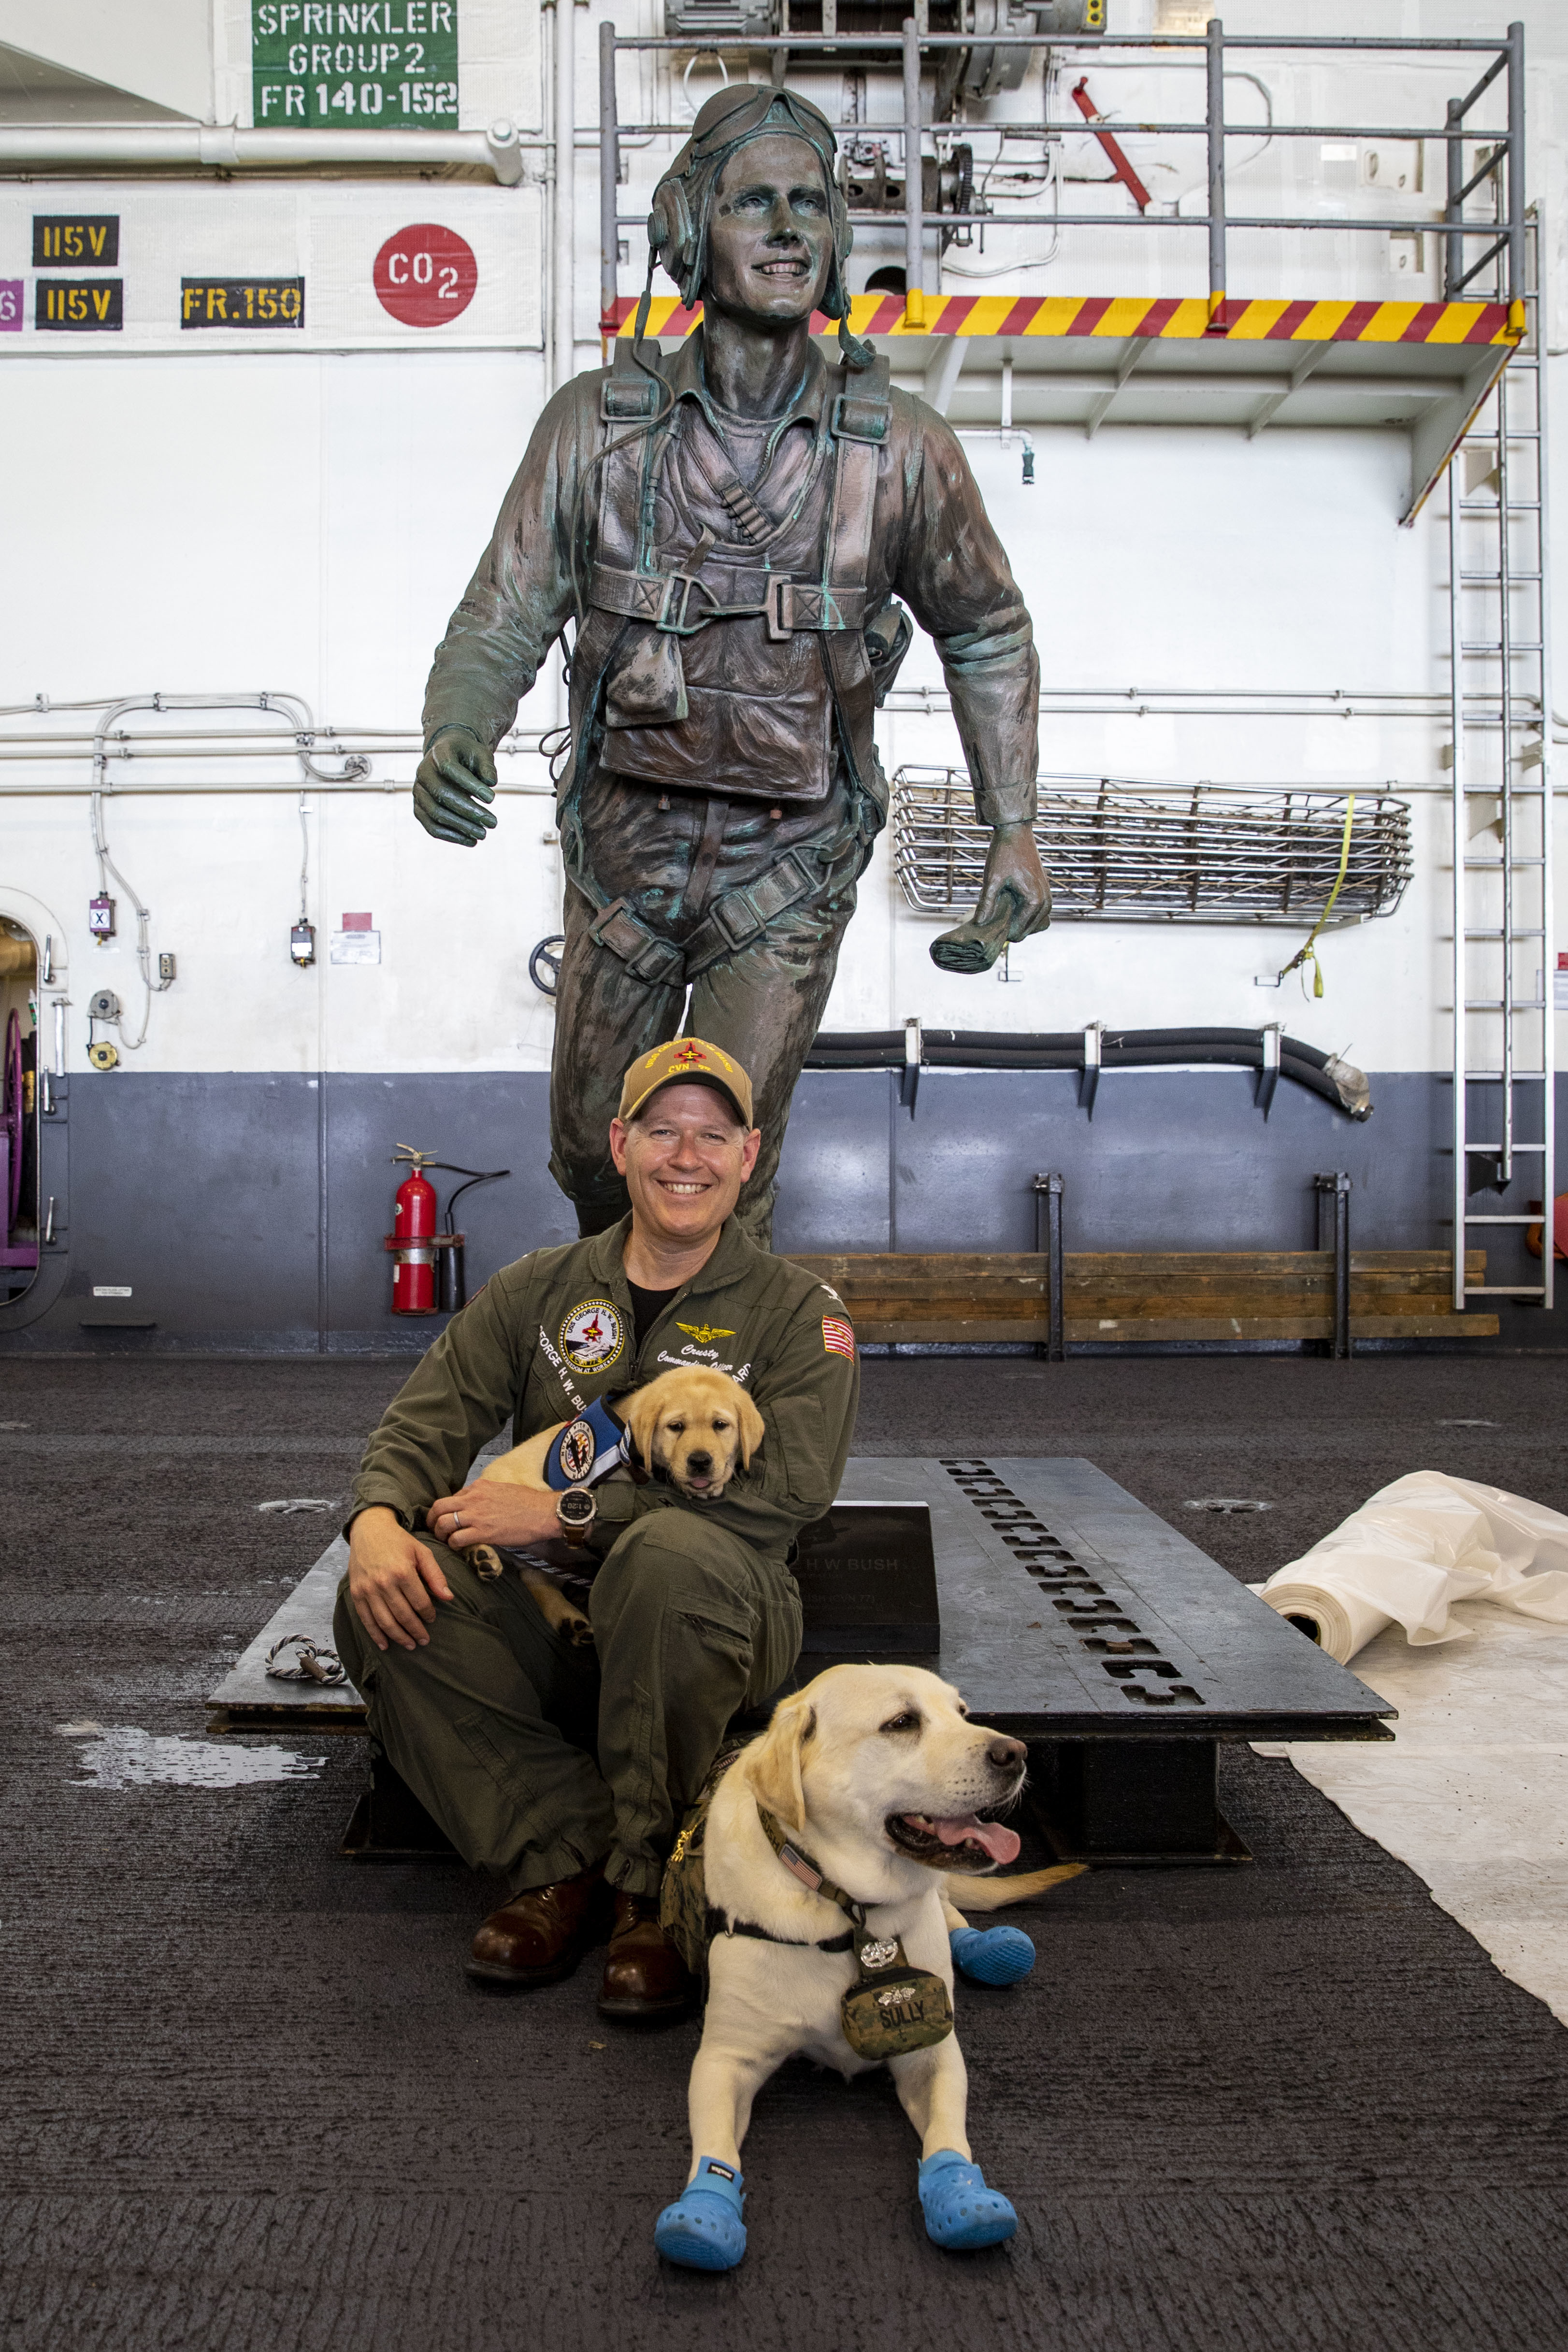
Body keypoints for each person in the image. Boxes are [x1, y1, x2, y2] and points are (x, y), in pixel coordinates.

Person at [412, 81, 1047, 1246]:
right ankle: (621, 1370)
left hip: (791, 859)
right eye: (756, 201)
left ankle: (710, 1409)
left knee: (723, 1152)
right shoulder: (593, 428)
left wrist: (1013, 824)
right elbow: (504, 612)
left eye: (812, 203)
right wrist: (459, 727)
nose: (790, 227)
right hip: (624, 860)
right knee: (592, 1150)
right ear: (691, 229)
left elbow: (987, 628)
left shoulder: (902, 449)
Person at [333, 1036, 859, 2015]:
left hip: (713, 1614)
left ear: (750, 1156)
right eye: (662, 1130)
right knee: (387, 1592)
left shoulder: (798, 1315)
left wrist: (571, 1512)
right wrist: (374, 1518)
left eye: (712, 1135)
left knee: (664, 1554)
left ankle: (649, 1882)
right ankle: (562, 1853)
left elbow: (789, 1488)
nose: (685, 1157)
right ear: (620, 1144)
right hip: (553, 1616)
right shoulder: (540, 1288)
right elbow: (426, 1420)